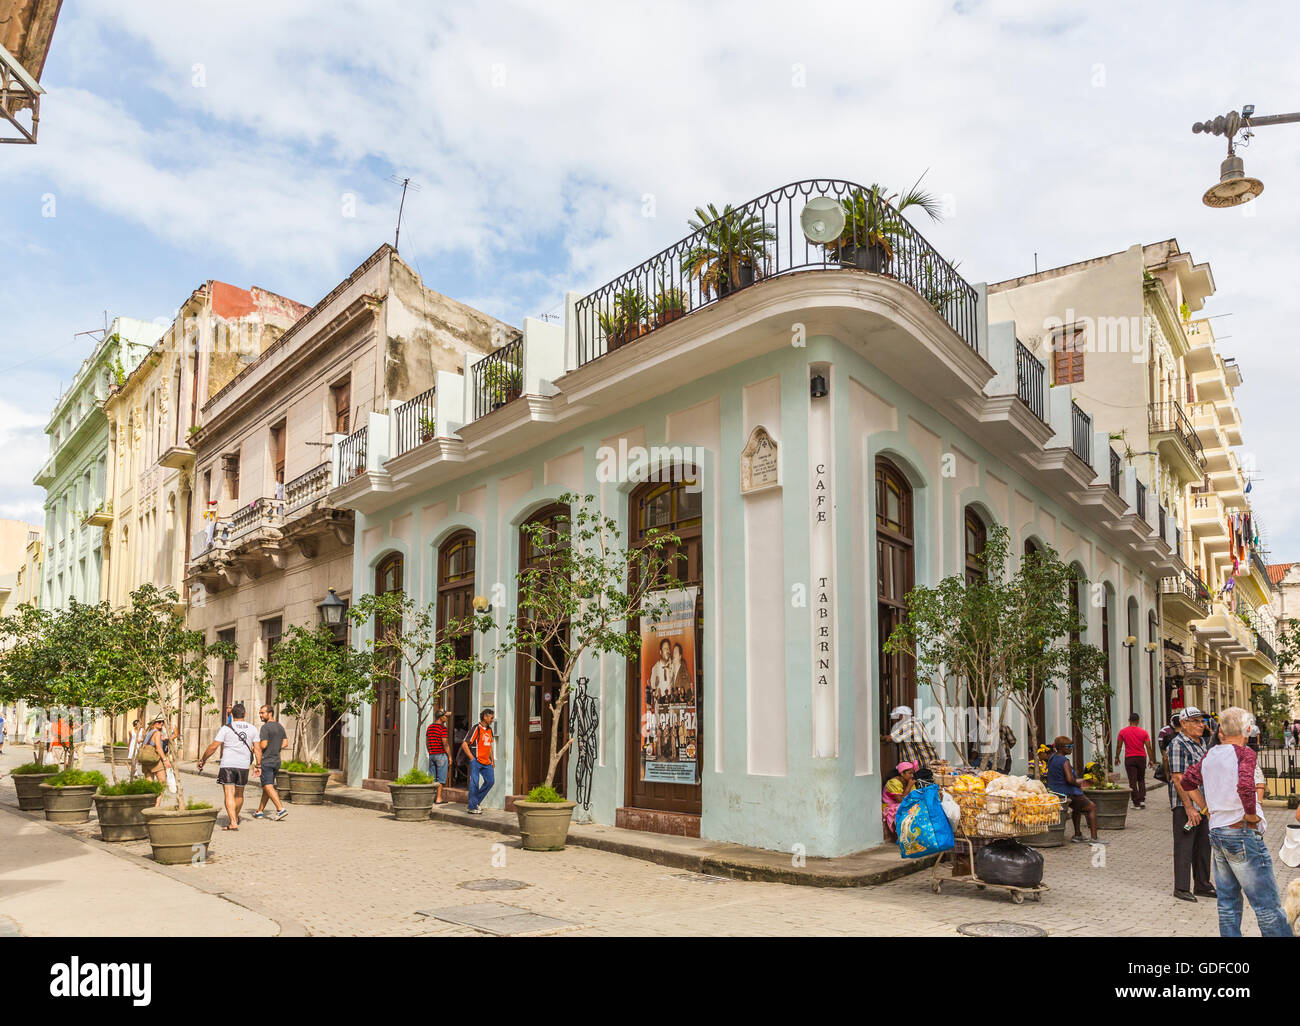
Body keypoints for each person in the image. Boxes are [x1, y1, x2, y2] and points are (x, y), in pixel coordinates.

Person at [1177, 706, 1291, 936]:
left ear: (1220, 732)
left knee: (1227, 903)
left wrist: (1207, 808)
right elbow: (1246, 786)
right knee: (1266, 904)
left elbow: (1187, 781)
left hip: (1218, 832)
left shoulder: (1210, 755)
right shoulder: (1244, 753)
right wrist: (1250, 815)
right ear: (1247, 729)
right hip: (1241, 833)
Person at [1167, 706, 1215, 903]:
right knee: (1185, 845)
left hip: (1203, 802)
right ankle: (1182, 887)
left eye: (1202, 721)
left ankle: (1202, 884)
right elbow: (1178, 778)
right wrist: (1189, 808)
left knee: (1204, 845)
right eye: (1196, 721)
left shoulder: (1201, 743)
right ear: (1184, 724)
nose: (1201, 725)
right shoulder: (1178, 744)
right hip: (1185, 804)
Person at [197, 702, 261, 830]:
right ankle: (235, 817)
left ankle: (233, 821)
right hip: (243, 765)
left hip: (228, 764)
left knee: (229, 794)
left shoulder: (226, 728)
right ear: (245, 714)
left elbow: (214, 746)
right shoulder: (252, 728)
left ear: (232, 714)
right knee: (239, 794)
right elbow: (258, 750)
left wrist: (203, 759)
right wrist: (258, 765)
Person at [1045, 736, 1104, 844]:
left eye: (1072, 746)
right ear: (1061, 748)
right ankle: (1094, 838)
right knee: (1091, 807)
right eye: (1068, 746)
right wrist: (1079, 784)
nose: (1071, 748)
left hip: (1055, 791)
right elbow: (1069, 779)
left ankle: (1078, 835)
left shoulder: (1052, 758)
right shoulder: (1064, 761)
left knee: (1077, 809)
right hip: (1068, 791)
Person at [251, 705, 288, 821]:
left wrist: (254, 748)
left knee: (267, 785)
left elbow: (263, 745)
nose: (260, 715)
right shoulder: (280, 726)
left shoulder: (265, 728)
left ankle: (280, 809)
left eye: (262, 713)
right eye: (260, 713)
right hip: (277, 761)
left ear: (270, 713)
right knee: (267, 786)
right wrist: (275, 748)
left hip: (266, 761)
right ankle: (260, 811)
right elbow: (285, 743)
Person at [1113, 713, 1155, 809]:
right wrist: (1151, 759)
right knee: (1141, 779)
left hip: (1130, 758)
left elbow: (1119, 746)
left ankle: (1136, 802)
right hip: (1141, 758)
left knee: (1132, 780)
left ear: (1129, 720)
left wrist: (1116, 757)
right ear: (1138, 721)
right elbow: (1148, 746)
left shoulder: (1123, 732)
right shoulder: (1144, 732)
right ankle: (1142, 800)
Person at [462, 708, 496, 814]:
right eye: (491, 718)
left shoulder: (489, 730)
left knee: (490, 781)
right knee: (474, 783)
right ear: (485, 717)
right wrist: (472, 759)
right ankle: (472, 807)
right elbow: (464, 744)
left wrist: (492, 759)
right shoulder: (476, 728)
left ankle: (475, 802)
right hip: (476, 760)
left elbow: (489, 745)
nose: (492, 720)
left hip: (487, 761)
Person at [137, 717, 172, 807]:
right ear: (153, 724)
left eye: (162, 722)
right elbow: (158, 748)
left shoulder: (147, 733)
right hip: (155, 761)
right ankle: (156, 805)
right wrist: (165, 760)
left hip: (146, 761)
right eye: (159, 722)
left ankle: (149, 804)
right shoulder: (157, 733)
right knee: (162, 783)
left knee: (149, 784)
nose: (161, 724)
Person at [882, 761, 917, 837]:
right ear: (902, 773)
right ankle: (900, 835)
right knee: (903, 809)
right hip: (890, 806)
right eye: (909, 773)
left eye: (913, 773)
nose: (912, 776)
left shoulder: (908, 781)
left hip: (900, 803)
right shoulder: (893, 782)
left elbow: (913, 796)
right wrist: (909, 786)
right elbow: (900, 801)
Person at [426, 708, 450, 805]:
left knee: (432, 778)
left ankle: (431, 797)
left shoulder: (430, 727)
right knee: (441, 778)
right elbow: (445, 744)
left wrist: (430, 751)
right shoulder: (442, 728)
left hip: (432, 754)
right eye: (445, 716)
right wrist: (450, 756)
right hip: (440, 755)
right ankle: (439, 798)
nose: (446, 718)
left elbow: (427, 742)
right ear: (441, 717)